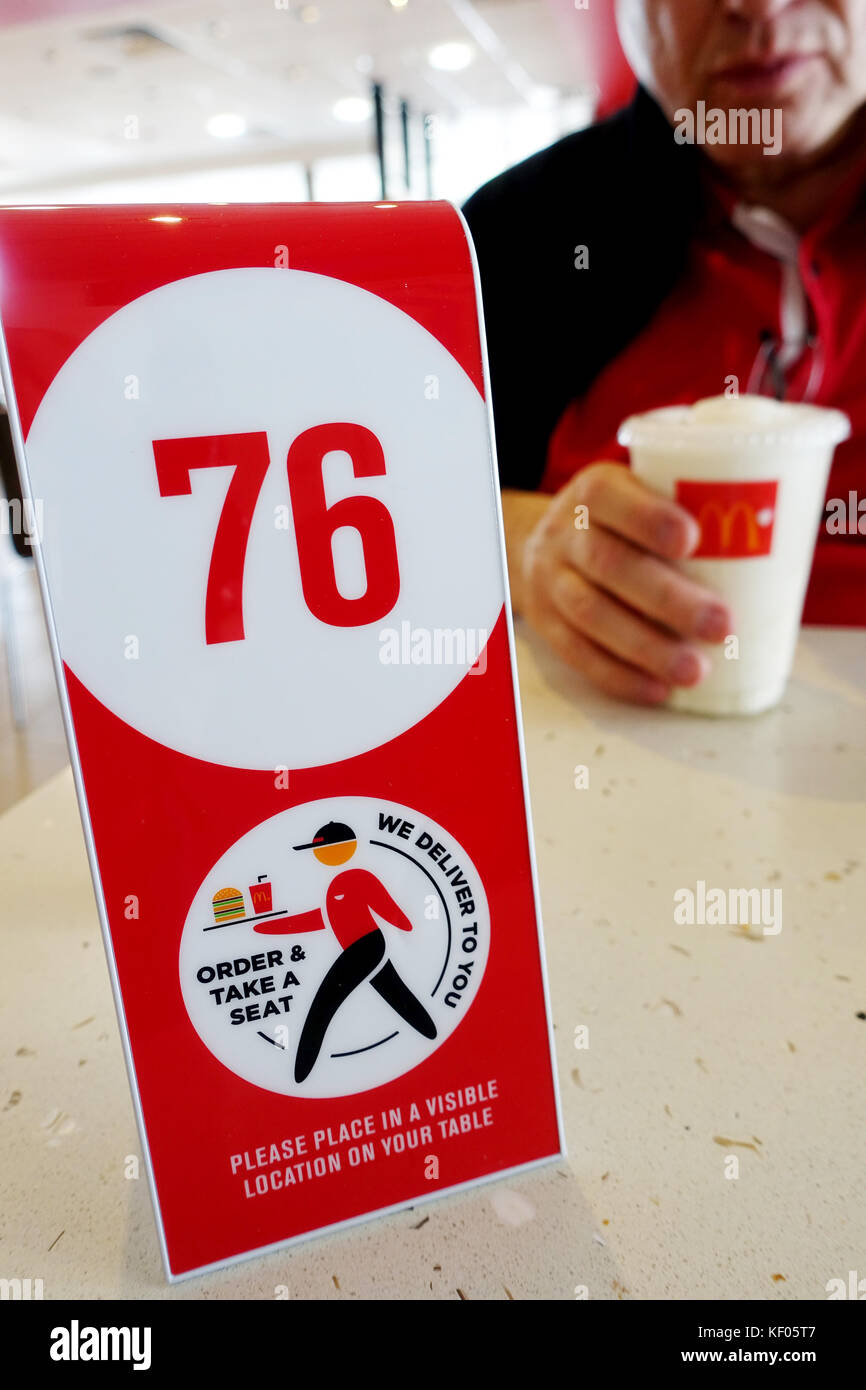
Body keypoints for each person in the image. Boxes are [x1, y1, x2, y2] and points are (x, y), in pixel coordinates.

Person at [463, 0, 866, 705]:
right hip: (607, 760)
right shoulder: (508, 240)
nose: (759, 5)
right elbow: (371, 516)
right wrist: (520, 544)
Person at [254, 821, 436, 1083]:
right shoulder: (333, 887)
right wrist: (268, 927)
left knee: (323, 1004)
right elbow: (318, 919)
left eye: (322, 850)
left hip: (367, 945)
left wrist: (406, 925)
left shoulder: (356, 877)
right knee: (397, 995)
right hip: (361, 947)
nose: (318, 855)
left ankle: (303, 1068)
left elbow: (385, 905)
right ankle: (430, 1031)